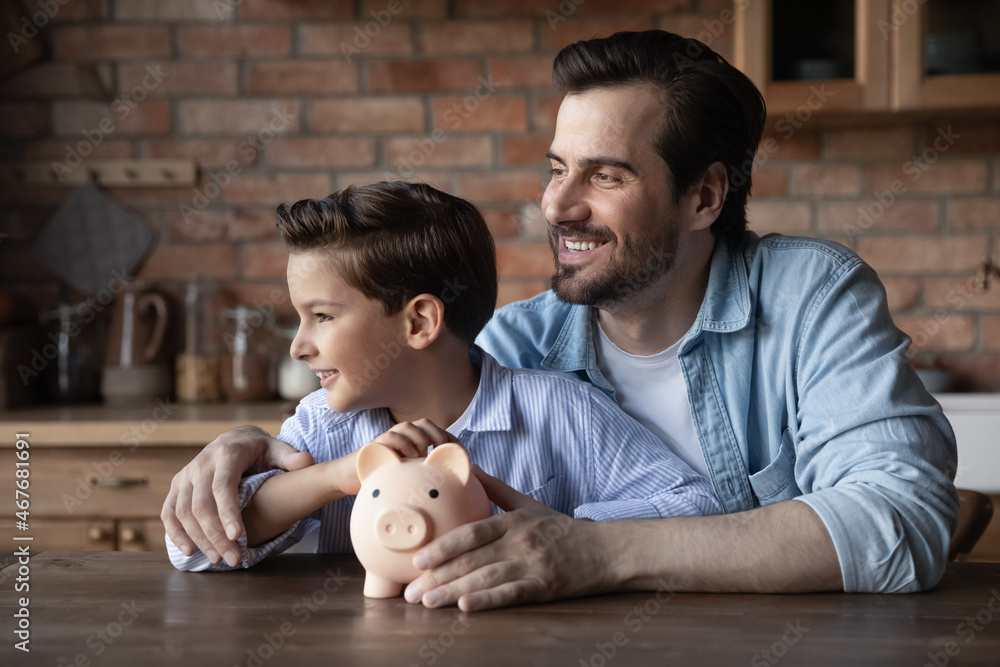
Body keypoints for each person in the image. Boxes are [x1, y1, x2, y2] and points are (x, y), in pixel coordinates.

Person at [162, 31, 958, 608]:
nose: (557, 205)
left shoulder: (811, 294)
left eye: (604, 174)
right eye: (555, 169)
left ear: (704, 197)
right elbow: (369, 438)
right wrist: (247, 448)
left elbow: (900, 523)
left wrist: (598, 550)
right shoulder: (513, 345)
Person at [165, 181, 720, 572]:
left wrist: (556, 525)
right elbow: (193, 550)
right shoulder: (325, 429)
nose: (299, 345)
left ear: (420, 321)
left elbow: (696, 507)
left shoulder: (562, 410)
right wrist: (336, 479)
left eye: (323, 316)